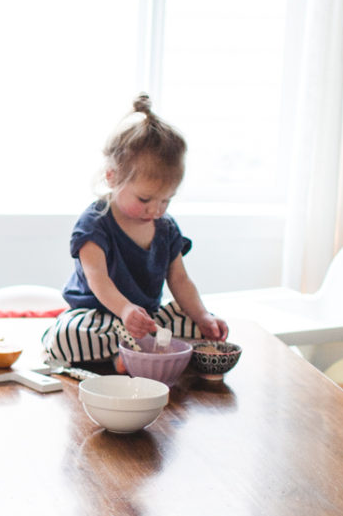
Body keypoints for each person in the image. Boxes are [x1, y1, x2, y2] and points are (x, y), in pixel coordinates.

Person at [43, 94, 228, 368]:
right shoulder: (95, 223)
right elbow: (98, 280)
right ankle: (128, 354)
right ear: (112, 177)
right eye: (145, 200)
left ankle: (138, 352)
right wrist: (125, 310)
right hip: (99, 315)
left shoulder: (165, 228)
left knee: (193, 322)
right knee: (65, 335)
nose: (156, 210)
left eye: (166, 200)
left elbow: (179, 279)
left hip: (148, 317)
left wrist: (203, 316)